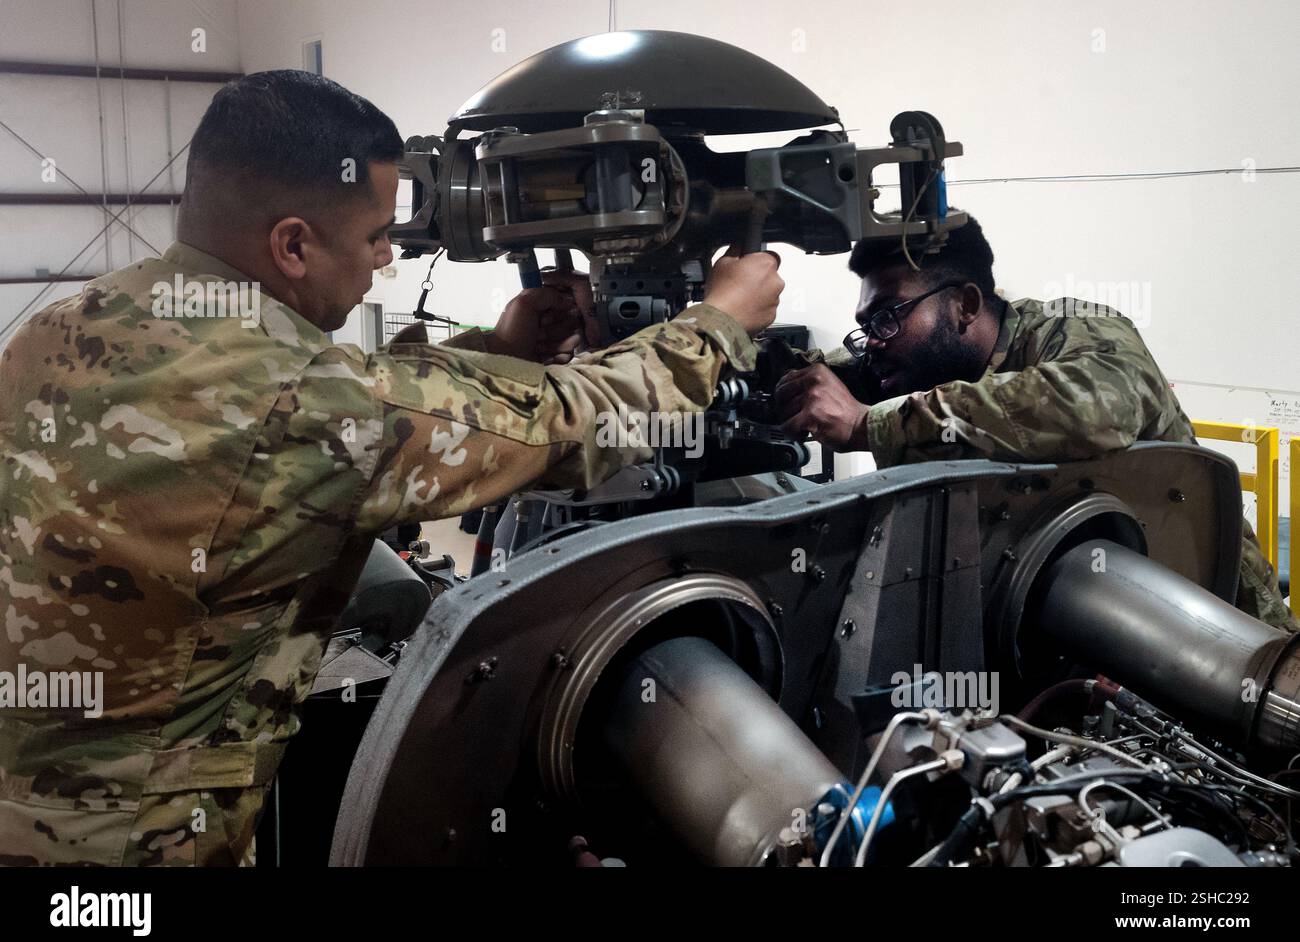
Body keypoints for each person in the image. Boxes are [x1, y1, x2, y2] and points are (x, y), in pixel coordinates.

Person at [0, 70, 783, 866]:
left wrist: (495, 350)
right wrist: (716, 325)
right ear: (293, 244)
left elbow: (312, 398)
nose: (386, 257)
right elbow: (569, 428)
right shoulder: (308, 409)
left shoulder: (61, 328)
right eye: (376, 234)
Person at [774, 215, 1295, 633]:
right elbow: (832, 370)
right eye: (867, 327)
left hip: (1219, 624)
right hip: (1065, 621)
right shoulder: (912, 360)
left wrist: (872, 425)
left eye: (888, 316)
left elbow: (1095, 407)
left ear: (966, 305)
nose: (876, 340)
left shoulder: (1074, 327)